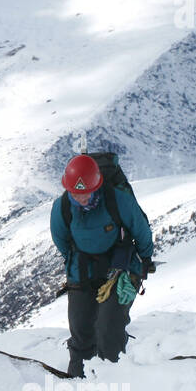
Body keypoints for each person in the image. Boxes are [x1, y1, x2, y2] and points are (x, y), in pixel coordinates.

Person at [49, 154, 156, 378]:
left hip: (120, 269)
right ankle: (78, 382)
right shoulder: (62, 208)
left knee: (109, 328)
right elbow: (62, 242)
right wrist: (76, 265)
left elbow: (141, 230)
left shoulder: (118, 200)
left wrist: (144, 262)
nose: (82, 198)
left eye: (86, 192)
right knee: (81, 330)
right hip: (83, 270)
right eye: (76, 193)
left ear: (97, 185)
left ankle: (112, 379)